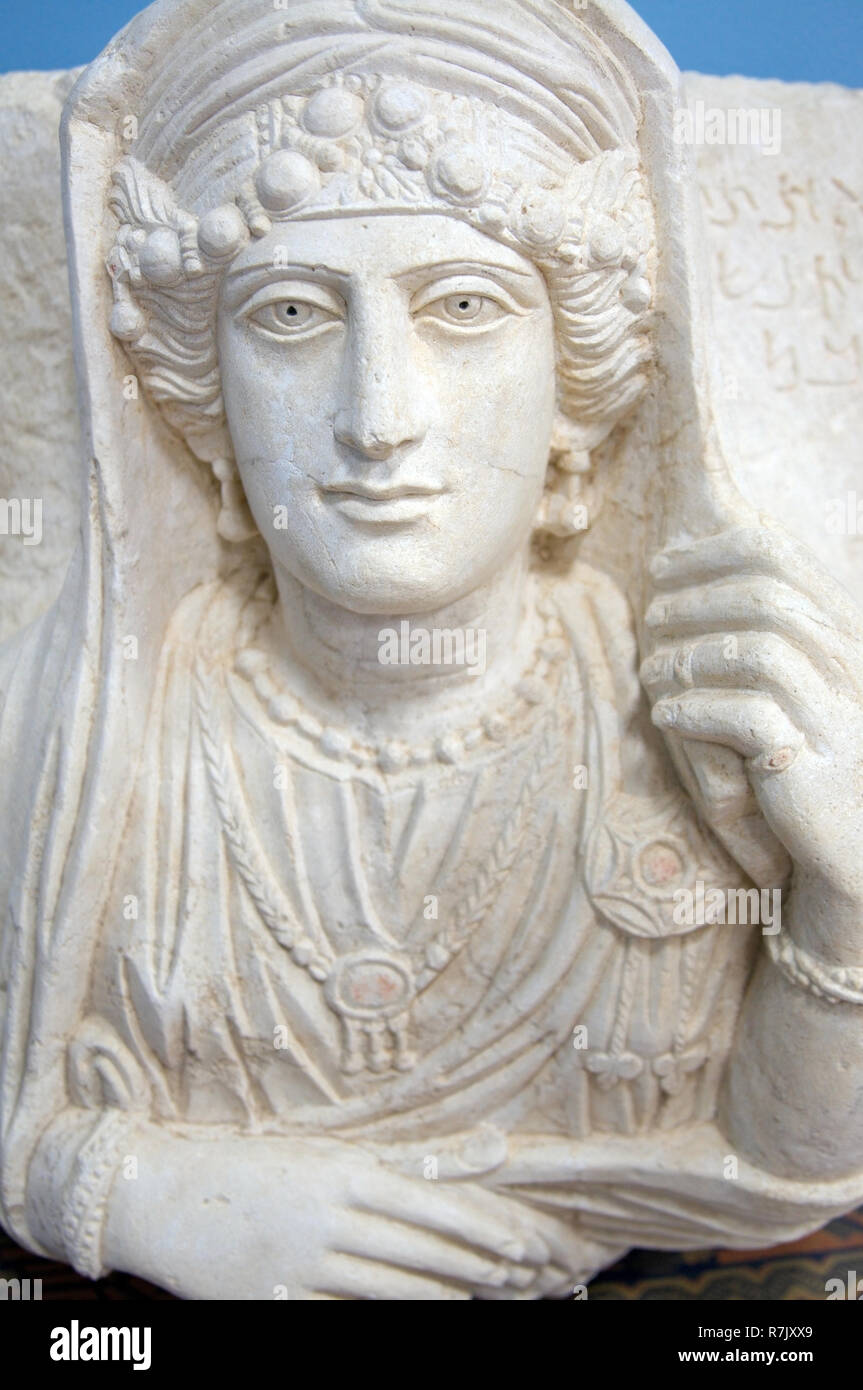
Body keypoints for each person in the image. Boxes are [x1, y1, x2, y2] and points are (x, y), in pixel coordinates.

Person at [1, 0, 862, 1300]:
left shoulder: (696, 712)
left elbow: (780, 1162)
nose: (379, 418)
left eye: (465, 306)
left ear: (576, 386)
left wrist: (845, 896)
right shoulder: (71, 735)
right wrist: (120, 1186)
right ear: (205, 406)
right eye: (292, 314)